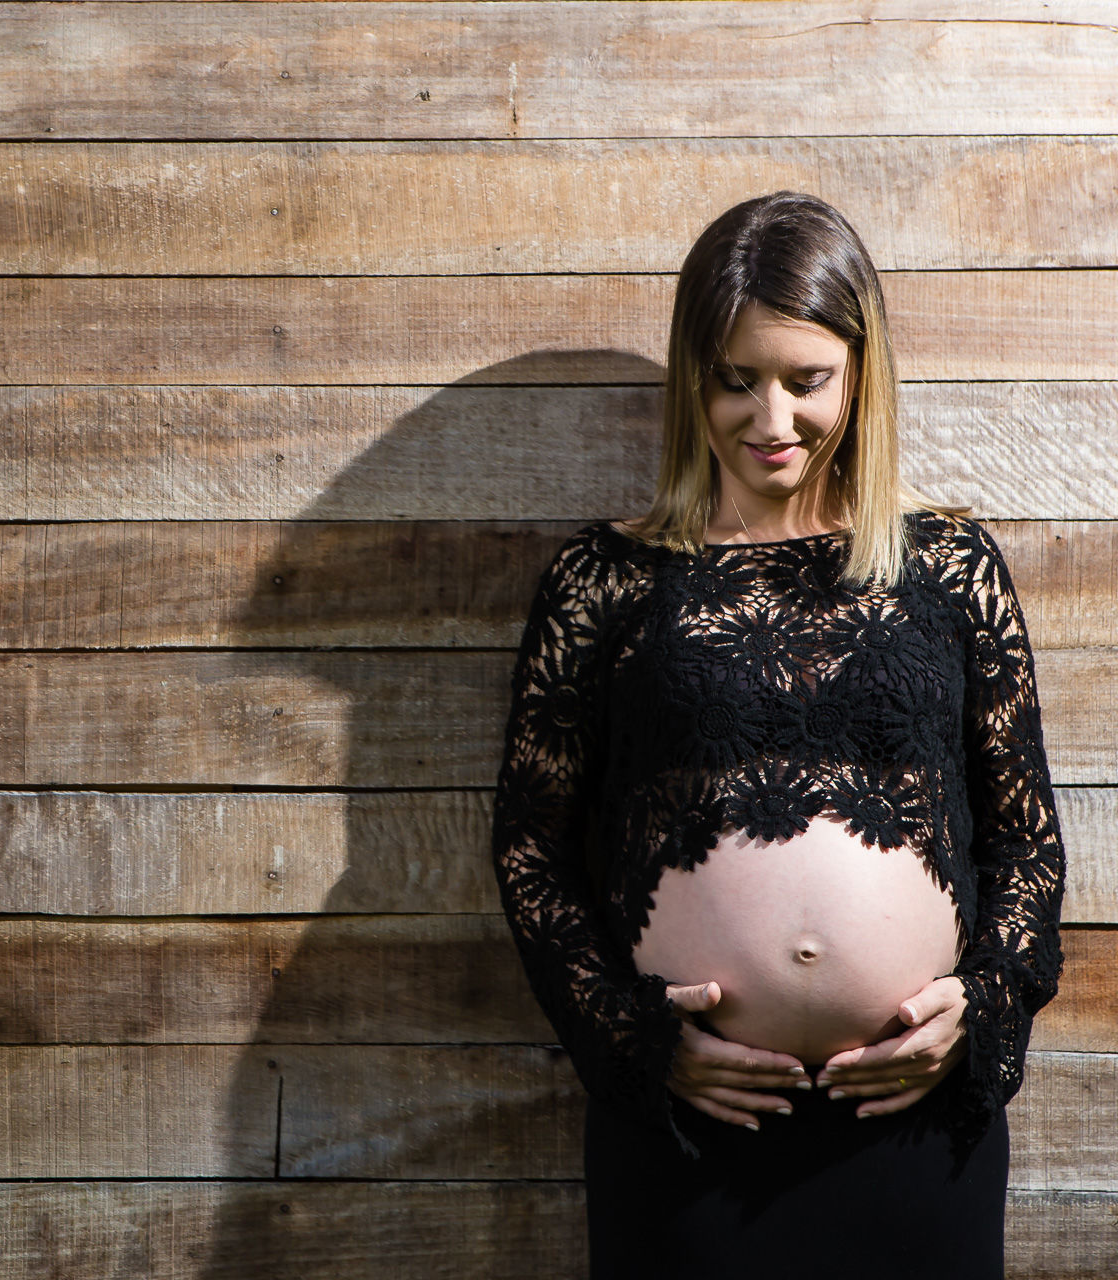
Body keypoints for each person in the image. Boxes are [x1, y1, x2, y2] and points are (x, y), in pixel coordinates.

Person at [490, 191, 1064, 1279]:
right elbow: (529, 842)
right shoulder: (606, 580)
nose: (771, 419)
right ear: (692, 374)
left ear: (860, 373)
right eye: (736, 379)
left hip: (913, 1120)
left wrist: (977, 1005)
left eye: (807, 382)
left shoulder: (950, 568)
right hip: (690, 1130)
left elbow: (1026, 841)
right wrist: (632, 1037)